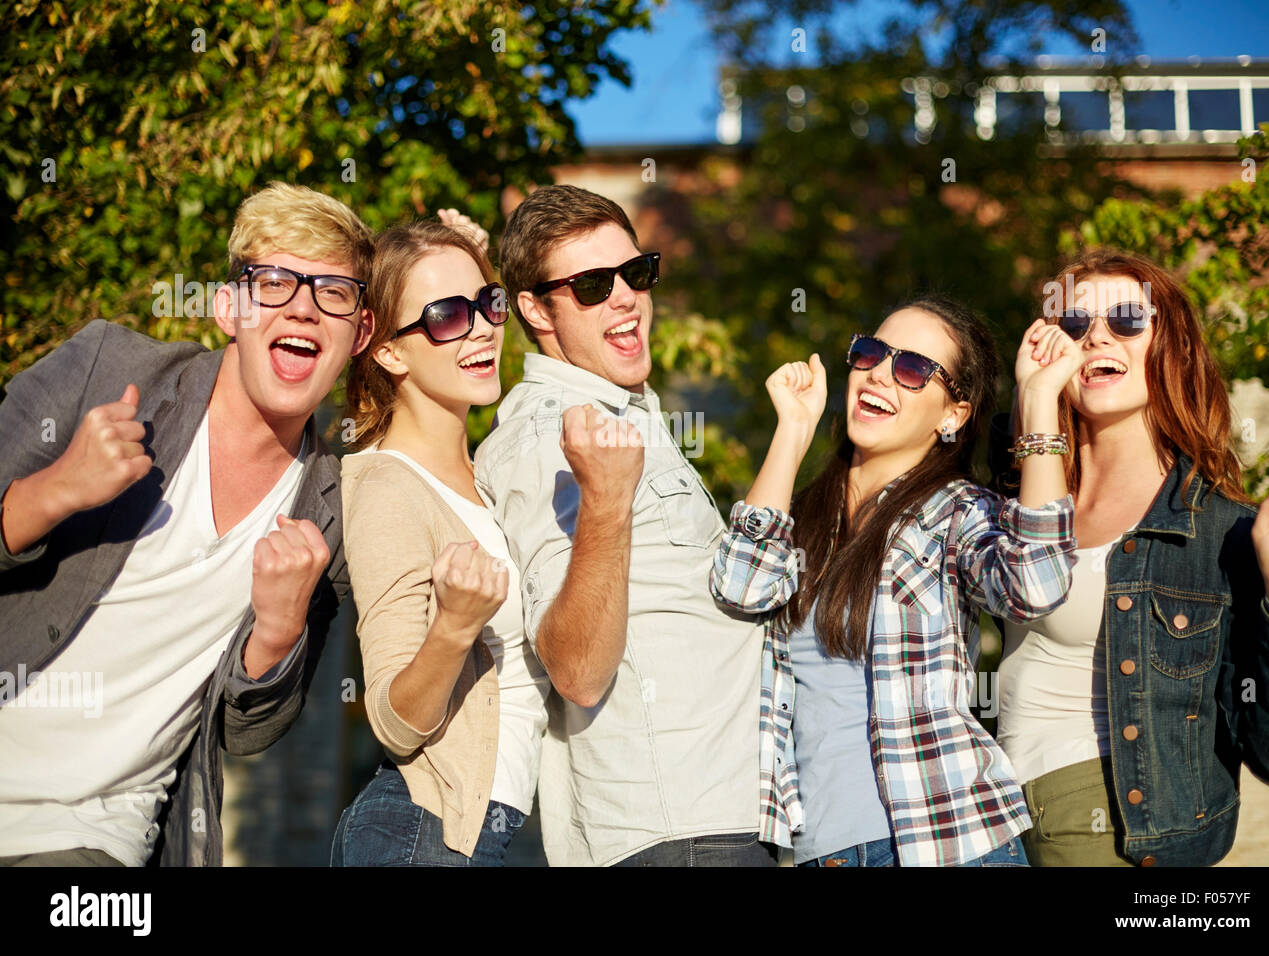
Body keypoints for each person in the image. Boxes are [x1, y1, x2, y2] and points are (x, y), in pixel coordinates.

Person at [0, 181, 373, 866]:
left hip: (87, 837)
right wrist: (54, 491)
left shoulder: (332, 512)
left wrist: (281, 630)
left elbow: (242, 729)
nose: (303, 307)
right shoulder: (106, 370)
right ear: (228, 308)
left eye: (334, 292)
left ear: (362, 332)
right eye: (274, 282)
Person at [711, 294, 1082, 866]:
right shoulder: (803, 516)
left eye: (911, 369)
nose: (882, 372)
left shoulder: (954, 511)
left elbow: (1034, 584)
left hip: (948, 843)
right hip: (823, 852)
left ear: (952, 414)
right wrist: (792, 430)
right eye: (871, 352)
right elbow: (740, 588)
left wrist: (1037, 401)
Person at [473, 184, 773, 867]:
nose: (624, 297)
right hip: (680, 832)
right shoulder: (549, 438)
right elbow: (575, 667)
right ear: (533, 309)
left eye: (636, 273)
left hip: (723, 816)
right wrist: (605, 506)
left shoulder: (625, 415)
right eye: (590, 284)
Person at [990, 249, 1269, 866]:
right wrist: (1033, 403)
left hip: (1104, 827)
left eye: (1129, 319)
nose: (1098, 334)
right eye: (1074, 324)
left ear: (1172, 350)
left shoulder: (1223, 530)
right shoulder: (1012, 492)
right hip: (987, 819)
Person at [330, 214, 549, 867]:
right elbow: (395, 723)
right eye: (447, 315)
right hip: (421, 835)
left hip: (476, 834)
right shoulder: (387, 489)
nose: (483, 326)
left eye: (488, 304)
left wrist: (473, 265)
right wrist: (454, 628)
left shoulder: (486, 472)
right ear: (389, 351)